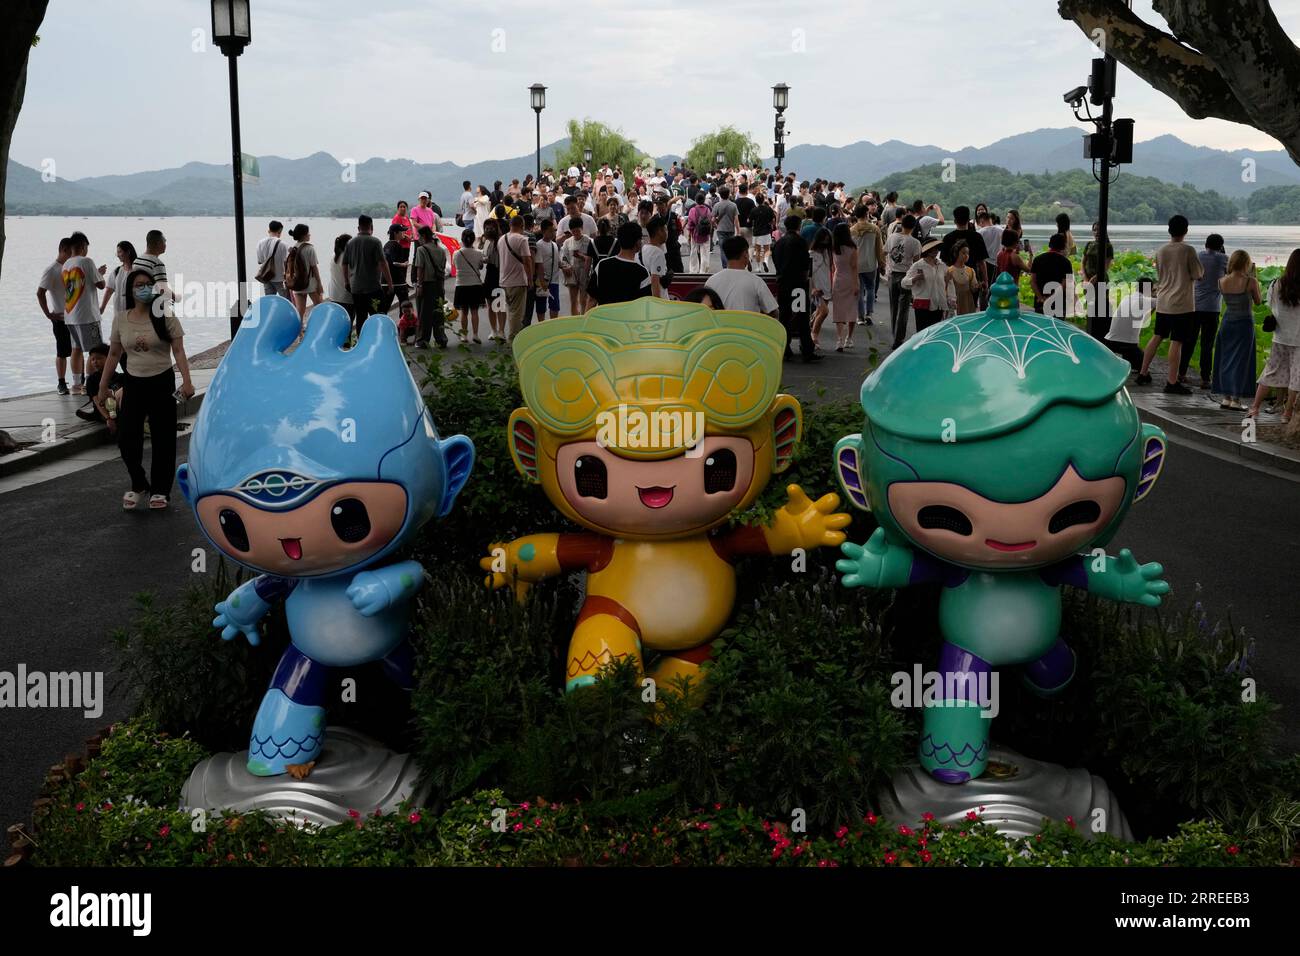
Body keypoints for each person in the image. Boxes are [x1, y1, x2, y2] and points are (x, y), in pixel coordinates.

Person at [96, 268, 193, 510]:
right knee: (127, 439)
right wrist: (103, 385)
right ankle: (139, 484)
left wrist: (187, 381)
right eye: (138, 284)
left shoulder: (166, 316)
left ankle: (160, 490)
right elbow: (114, 354)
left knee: (164, 438)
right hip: (133, 383)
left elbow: (179, 351)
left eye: (148, 284)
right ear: (129, 290)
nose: (143, 288)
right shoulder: (121, 318)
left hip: (162, 382)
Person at [1138, 215, 1203, 394]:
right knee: (1177, 341)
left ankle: (1143, 372)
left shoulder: (1161, 250)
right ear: (1186, 230)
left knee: (1157, 336)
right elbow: (1198, 274)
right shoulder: (1188, 250)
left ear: (1169, 230)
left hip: (1163, 301)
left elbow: (1161, 274)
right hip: (1181, 304)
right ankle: (1171, 382)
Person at [1248, 247, 1300, 423]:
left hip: (1280, 336)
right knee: (1296, 377)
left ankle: (1254, 408)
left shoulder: (1276, 284)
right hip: (1298, 339)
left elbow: (1271, 306)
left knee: (1270, 372)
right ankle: (1287, 413)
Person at [1210, 250, 1260, 410]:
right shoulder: (1250, 282)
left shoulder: (1221, 281)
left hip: (1227, 323)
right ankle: (1236, 400)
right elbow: (1258, 302)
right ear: (1246, 263)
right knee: (1241, 361)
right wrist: (1255, 278)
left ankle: (1226, 397)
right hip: (1244, 324)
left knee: (1225, 359)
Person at [61, 231, 106, 394]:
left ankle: (76, 384)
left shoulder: (66, 265)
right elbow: (101, 284)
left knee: (76, 349)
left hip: (70, 315)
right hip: (88, 315)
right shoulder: (87, 261)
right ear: (82, 246)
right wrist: (100, 273)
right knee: (95, 351)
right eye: (86, 247)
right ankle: (89, 383)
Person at [772, 214, 817, 362]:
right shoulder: (800, 242)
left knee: (784, 316)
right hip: (798, 284)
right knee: (801, 317)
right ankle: (807, 349)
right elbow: (805, 264)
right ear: (799, 226)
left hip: (783, 283)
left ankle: (784, 348)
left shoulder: (779, 242)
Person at [1188, 233, 1229, 388]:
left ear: (1206, 244)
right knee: (1207, 344)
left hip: (1194, 306)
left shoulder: (1198, 256)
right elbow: (1229, 275)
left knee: (1189, 341)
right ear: (1220, 246)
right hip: (1212, 308)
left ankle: (1181, 373)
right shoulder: (1224, 259)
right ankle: (1205, 378)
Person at [705, 235, 778, 316]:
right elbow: (772, 311)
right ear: (745, 254)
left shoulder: (711, 281)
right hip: (748, 328)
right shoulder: (756, 282)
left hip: (720, 328)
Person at [343, 215, 392, 332]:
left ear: (358, 227)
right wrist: (390, 283)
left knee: (361, 317)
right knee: (378, 316)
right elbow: (383, 263)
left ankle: (361, 343)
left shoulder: (350, 243)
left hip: (356, 287)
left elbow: (344, 264)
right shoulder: (375, 242)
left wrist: (346, 282)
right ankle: (377, 340)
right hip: (373, 287)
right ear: (371, 227)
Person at [37, 237, 73, 394]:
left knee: (78, 350)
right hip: (60, 317)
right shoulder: (51, 269)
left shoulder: (71, 267)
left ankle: (80, 380)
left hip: (76, 316)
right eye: (72, 252)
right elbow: (40, 292)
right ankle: (61, 382)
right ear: (64, 250)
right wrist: (48, 314)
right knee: (62, 351)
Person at [587, 222, 649, 306]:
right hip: (630, 318)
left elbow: (591, 301)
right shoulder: (642, 272)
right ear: (638, 242)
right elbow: (644, 306)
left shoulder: (602, 265)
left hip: (603, 318)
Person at [884, 214, 921, 348]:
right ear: (913, 226)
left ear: (902, 224)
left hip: (892, 275)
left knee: (893, 308)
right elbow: (917, 263)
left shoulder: (892, 237)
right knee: (903, 310)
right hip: (906, 277)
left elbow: (885, 253)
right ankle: (898, 340)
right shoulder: (915, 242)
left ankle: (895, 335)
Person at [902, 238, 952, 333]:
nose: (936, 250)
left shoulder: (942, 265)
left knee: (935, 334)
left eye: (937, 248)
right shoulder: (918, 265)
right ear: (927, 250)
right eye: (933, 248)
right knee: (922, 333)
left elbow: (949, 283)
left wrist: (951, 298)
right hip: (923, 306)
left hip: (938, 305)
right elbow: (903, 283)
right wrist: (915, 278)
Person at [1105, 278, 1155, 371]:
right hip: (1127, 345)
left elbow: (1143, 320)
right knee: (1144, 366)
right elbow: (1164, 302)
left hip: (1110, 341)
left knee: (1135, 363)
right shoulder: (1144, 300)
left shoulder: (1127, 298)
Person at [412, 225, 449, 349]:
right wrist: (442, 286)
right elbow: (443, 270)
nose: (418, 239)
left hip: (426, 285)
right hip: (438, 285)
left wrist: (419, 285)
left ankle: (423, 340)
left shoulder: (421, 250)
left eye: (419, 236)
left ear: (423, 236)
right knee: (438, 314)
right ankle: (441, 339)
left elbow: (420, 269)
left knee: (424, 315)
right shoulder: (441, 250)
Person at [498, 215, 533, 337]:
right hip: (517, 281)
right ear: (522, 226)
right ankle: (513, 340)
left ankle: (512, 336)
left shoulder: (501, 239)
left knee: (511, 311)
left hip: (504, 281)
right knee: (517, 314)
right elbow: (527, 261)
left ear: (510, 225)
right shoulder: (522, 239)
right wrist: (530, 279)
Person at [1080, 221, 1115, 339]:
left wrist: (1094, 279)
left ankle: (1100, 334)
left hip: (1100, 280)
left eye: (1099, 230)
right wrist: (1085, 278)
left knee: (1100, 307)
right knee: (1090, 306)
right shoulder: (1089, 244)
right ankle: (1090, 332)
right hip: (1087, 280)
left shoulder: (1108, 247)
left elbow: (1106, 266)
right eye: (1094, 230)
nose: (1097, 232)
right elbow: (1083, 262)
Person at [850, 205, 884, 324]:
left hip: (857, 265)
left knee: (859, 291)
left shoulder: (852, 230)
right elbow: (879, 248)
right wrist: (881, 262)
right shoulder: (874, 229)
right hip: (870, 264)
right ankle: (869, 314)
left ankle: (860, 317)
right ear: (866, 214)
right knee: (870, 288)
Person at [285, 223, 324, 324]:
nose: (309, 235)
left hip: (297, 283)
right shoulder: (309, 248)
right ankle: (319, 326)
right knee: (320, 306)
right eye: (308, 233)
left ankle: (299, 331)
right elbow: (314, 268)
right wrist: (319, 284)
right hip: (310, 283)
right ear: (303, 235)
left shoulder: (293, 248)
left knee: (300, 310)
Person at [453, 228, 485, 343]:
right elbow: (480, 267)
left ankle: (464, 336)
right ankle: (475, 335)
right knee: (474, 312)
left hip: (461, 285)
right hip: (475, 285)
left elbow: (455, 266)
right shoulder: (478, 253)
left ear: (462, 239)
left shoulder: (456, 254)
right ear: (473, 240)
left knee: (464, 312)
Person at [831, 223, 860, 350]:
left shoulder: (834, 248)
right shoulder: (852, 248)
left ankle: (839, 339)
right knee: (851, 309)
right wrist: (856, 284)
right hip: (850, 280)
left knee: (839, 310)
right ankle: (849, 338)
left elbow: (833, 267)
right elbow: (854, 267)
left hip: (837, 279)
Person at [1030, 233, 1073, 318]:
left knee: (1041, 327)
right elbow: (1064, 285)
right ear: (1063, 246)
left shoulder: (1037, 259)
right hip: (1058, 303)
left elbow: (1032, 282)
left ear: (1049, 244)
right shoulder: (1066, 262)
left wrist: (1041, 298)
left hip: (1040, 302)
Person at [480, 218, 506, 343]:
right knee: (490, 304)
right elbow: (485, 258)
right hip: (489, 274)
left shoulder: (501, 241)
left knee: (500, 304)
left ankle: (501, 330)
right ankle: (493, 330)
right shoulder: (485, 242)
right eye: (486, 228)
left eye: (491, 228)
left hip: (499, 273)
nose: (489, 230)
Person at [532, 219, 562, 322]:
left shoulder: (554, 245)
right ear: (543, 231)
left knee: (555, 305)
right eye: (551, 231)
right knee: (541, 305)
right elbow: (539, 264)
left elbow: (558, 261)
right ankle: (542, 325)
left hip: (554, 280)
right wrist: (541, 281)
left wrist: (565, 267)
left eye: (554, 230)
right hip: (542, 281)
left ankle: (553, 324)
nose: (553, 233)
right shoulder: (539, 245)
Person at [809, 227, 834, 348]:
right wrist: (812, 288)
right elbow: (809, 274)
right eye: (824, 240)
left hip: (826, 287)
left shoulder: (827, 253)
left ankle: (812, 325)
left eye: (828, 241)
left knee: (819, 311)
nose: (826, 243)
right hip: (816, 290)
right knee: (824, 312)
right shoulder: (811, 254)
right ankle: (814, 336)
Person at [100, 240, 137, 320]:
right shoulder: (117, 271)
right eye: (117, 252)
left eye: (120, 252)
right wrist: (102, 308)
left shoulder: (138, 271)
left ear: (128, 252)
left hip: (134, 315)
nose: (117, 255)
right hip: (118, 314)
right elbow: (109, 291)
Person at [382, 223, 411, 315]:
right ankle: (404, 327)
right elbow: (393, 262)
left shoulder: (386, 245)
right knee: (405, 307)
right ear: (395, 233)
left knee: (384, 308)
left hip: (385, 281)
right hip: (398, 282)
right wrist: (404, 264)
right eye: (402, 231)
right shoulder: (396, 245)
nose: (404, 233)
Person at [639, 215, 670, 298]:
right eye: (666, 229)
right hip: (660, 300)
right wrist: (657, 303)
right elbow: (654, 281)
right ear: (659, 231)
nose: (667, 232)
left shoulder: (645, 248)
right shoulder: (657, 253)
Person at [255, 221, 289, 298]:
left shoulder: (260, 243)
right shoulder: (283, 244)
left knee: (269, 300)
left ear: (269, 230)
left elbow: (260, 261)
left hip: (266, 277)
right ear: (280, 231)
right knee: (286, 301)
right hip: (280, 278)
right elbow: (286, 262)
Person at [947, 241, 978, 315]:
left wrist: (977, 286)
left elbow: (973, 289)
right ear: (956, 254)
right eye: (963, 253)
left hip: (968, 302)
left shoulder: (970, 270)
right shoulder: (949, 270)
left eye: (968, 253)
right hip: (954, 302)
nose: (966, 255)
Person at [328, 233, 354, 325]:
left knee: (337, 324)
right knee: (348, 324)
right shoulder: (347, 258)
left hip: (334, 296)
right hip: (346, 298)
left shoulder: (334, 256)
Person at [751, 192, 777, 272]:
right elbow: (773, 219)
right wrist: (771, 225)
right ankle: (765, 261)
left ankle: (758, 267)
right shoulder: (768, 209)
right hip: (766, 231)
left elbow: (750, 220)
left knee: (757, 250)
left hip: (756, 232)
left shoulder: (754, 210)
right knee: (767, 249)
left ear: (756, 200)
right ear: (763, 200)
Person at [687, 198, 713, 273]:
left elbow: (690, 223)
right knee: (705, 252)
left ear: (696, 200)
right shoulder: (708, 210)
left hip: (695, 233)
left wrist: (689, 233)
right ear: (703, 200)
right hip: (705, 234)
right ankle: (704, 270)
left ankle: (693, 270)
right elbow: (710, 221)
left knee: (694, 252)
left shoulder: (692, 210)